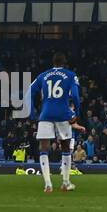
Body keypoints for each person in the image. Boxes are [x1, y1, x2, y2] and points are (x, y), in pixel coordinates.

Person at [28, 53, 82, 194]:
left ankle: (48, 184)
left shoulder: (43, 75)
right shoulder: (71, 75)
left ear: (53, 62)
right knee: (66, 147)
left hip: (45, 114)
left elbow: (29, 92)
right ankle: (65, 183)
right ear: (65, 62)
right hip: (63, 114)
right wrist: (77, 113)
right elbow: (75, 96)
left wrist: (32, 113)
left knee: (43, 148)